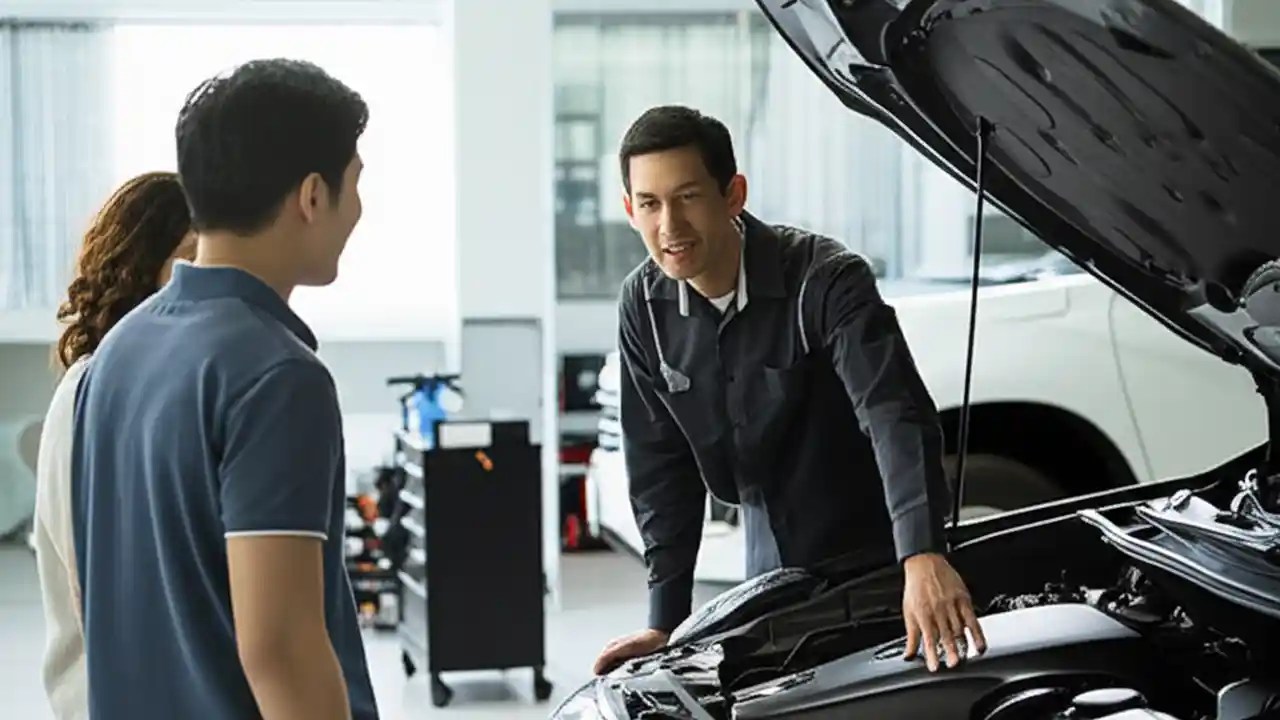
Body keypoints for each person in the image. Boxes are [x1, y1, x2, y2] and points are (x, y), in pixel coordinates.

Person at [593, 105, 987, 676]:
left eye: (688, 197)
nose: (669, 226)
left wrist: (923, 554)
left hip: (877, 557)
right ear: (630, 210)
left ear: (733, 195)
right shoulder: (642, 307)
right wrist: (665, 623)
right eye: (650, 204)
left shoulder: (826, 279)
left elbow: (893, 413)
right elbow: (660, 466)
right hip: (768, 565)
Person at [69, 59, 378, 720]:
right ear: (312, 196)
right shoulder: (277, 377)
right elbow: (282, 651)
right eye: (355, 184)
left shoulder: (119, 351)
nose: (359, 209)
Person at [32, 171, 196, 720]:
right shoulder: (93, 391)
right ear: (138, 266)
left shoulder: (152, 384)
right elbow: (96, 580)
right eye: (188, 260)